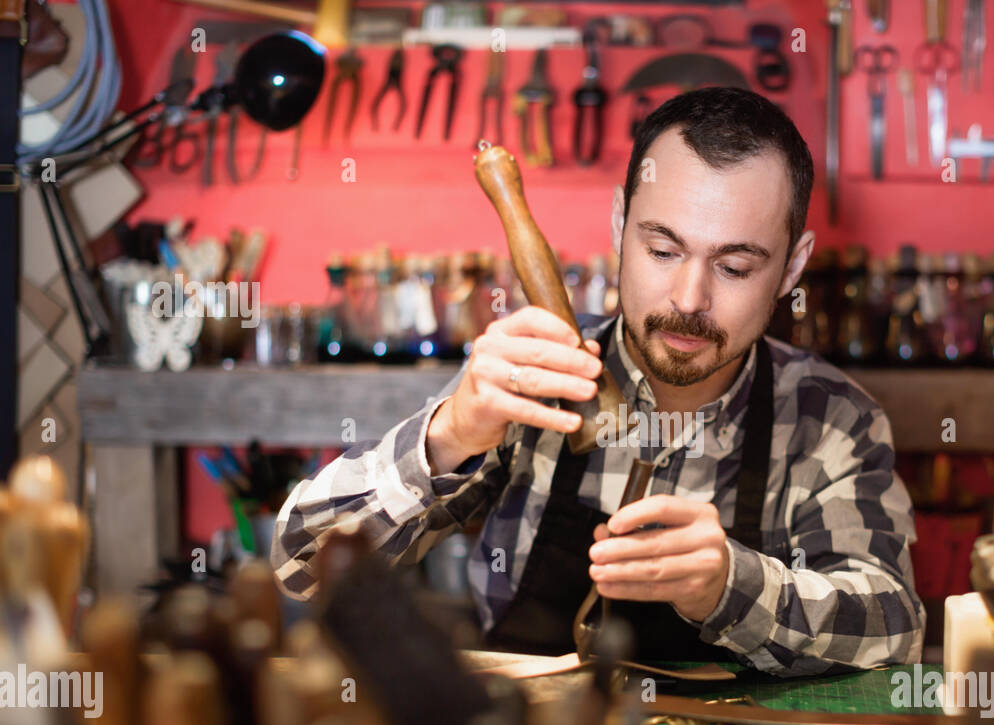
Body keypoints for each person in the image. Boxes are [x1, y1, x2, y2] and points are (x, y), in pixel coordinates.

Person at [272, 87, 925, 677]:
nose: (688, 298)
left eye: (734, 266)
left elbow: (893, 629)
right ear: (619, 226)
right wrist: (450, 435)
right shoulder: (532, 375)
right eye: (662, 250)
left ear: (792, 268)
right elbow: (299, 563)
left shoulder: (833, 419)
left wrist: (730, 585)